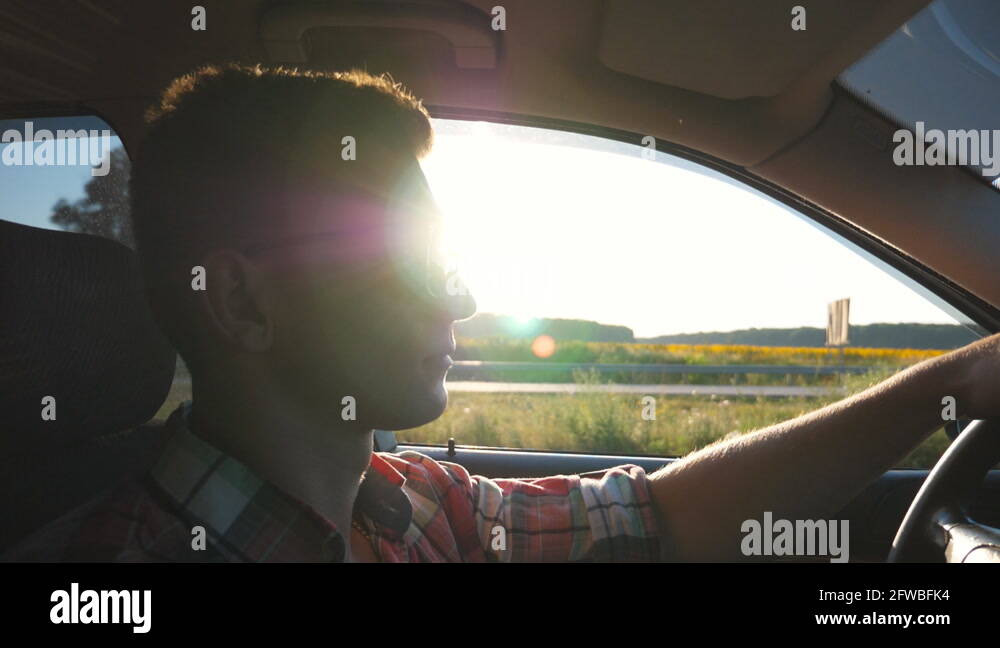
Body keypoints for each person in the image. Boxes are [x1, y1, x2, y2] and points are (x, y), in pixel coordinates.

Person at [7, 64, 1000, 562]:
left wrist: (951, 382)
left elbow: (659, 515)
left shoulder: (415, 504)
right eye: (408, 261)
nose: (464, 294)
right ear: (241, 299)